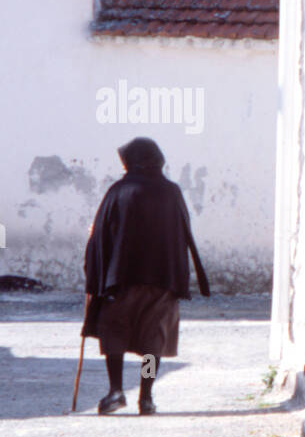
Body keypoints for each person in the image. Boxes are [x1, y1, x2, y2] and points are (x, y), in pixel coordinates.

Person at [82, 137, 210, 416]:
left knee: (113, 332)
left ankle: (115, 390)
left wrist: (94, 274)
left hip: (121, 279)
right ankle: (146, 397)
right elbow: (183, 234)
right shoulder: (172, 192)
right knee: (154, 341)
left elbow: (100, 237)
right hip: (162, 281)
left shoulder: (120, 190)